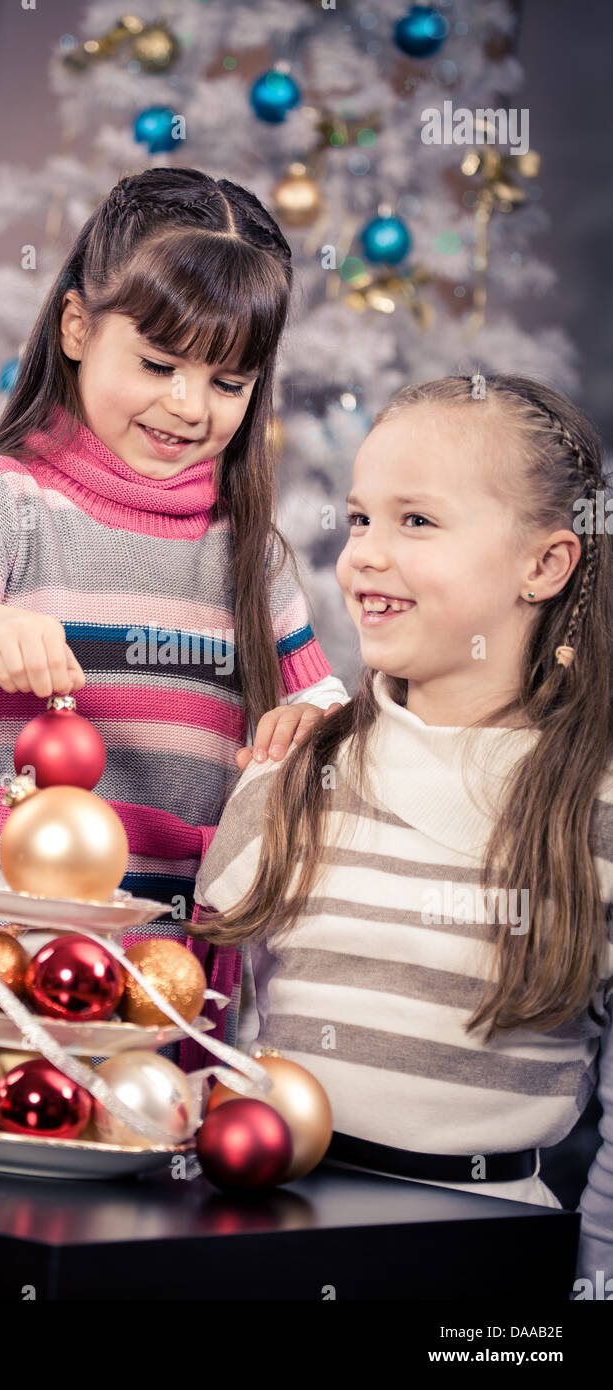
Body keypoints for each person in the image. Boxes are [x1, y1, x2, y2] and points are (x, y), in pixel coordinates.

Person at [0, 166, 349, 1066]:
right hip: (18, 920)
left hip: (179, 953)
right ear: (77, 327)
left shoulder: (250, 555)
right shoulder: (10, 498)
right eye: (159, 365)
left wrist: (317, 729)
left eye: (228, 382)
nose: (189, 407)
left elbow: (332, 713)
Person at [190, 373, 613, 1296]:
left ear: (545, 565)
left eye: (416, 522)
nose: (365, 557)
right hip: (262, 1247)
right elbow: (208, 1019)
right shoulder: (293, 771)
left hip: (482, 1271)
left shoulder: (597, 812)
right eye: (360, 520)